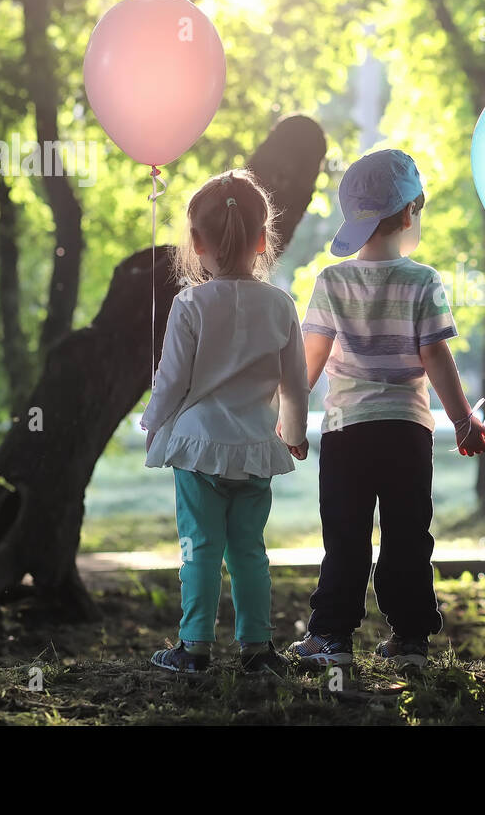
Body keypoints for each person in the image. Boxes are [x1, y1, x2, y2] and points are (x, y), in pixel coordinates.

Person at [289, 149, 485, 669]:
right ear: (408, 213)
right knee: (407, 533)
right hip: (407, 432)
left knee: (345, 534)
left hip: (346, 432)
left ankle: (332, 637)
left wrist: (290, 421)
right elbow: (435, 355)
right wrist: (462, 419)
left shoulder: (331, 282)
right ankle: (409, 642)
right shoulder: (422, 280)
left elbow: (309, 360)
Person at [141, 169, 309, 674]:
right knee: (249, 552)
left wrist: (153, 422)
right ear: (263, 239)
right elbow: (295, 383)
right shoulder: (280, 305)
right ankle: (258, 649)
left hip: (198, 449)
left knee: (199, 549)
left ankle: (194, 649)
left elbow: (171, 381)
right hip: (256, 448)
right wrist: (295, 436)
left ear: (196, 241)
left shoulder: (190, 304)